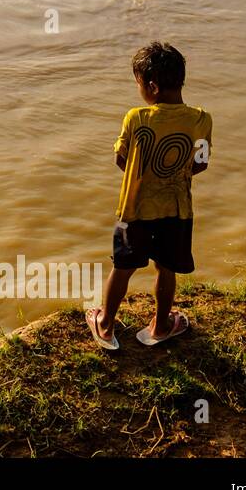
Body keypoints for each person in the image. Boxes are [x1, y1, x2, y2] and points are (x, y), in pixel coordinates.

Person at [88, 42, 212, 350]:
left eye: (139, 84)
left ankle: (105, 325)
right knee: (166, 267)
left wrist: (146, 179)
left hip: (135, 208)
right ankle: (160, 325)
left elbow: (122, 158)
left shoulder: (137, 117)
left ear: (152, 86)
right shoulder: (201, 119)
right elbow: (201, 163)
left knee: (123, 266)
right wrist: (170, 176)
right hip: (177, 210)